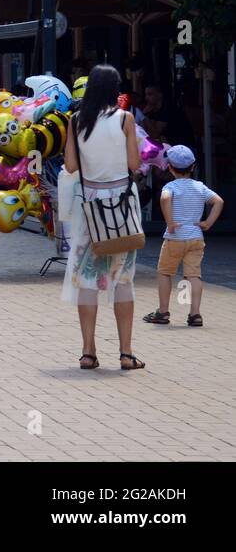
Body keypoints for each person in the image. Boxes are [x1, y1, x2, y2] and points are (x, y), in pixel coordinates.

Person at [61, 65, 146, 371]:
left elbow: (70, 166)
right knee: (124, 280)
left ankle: (88, 352)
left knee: (87, 280)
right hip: (122, 205)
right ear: (115, 89)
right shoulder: (125, 119)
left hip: (90, 209)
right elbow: (135, 164)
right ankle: (125, 353)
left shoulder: (75, 121)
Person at [142, 145, 223, 328]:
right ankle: (195, 314)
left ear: (169, 167)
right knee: (194, 275)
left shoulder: (170, 186)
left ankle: (163, 312)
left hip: (175, 238)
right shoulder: (200, 187)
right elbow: (218, 201)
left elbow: (164, 199)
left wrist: (170, 223)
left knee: (165, 272)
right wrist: (208, 223)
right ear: (193, 167)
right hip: (195, 237)